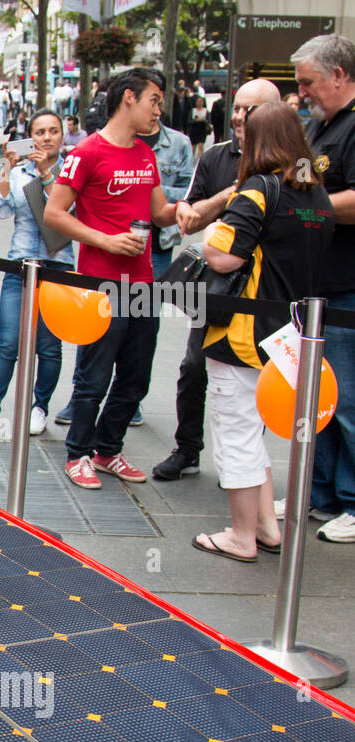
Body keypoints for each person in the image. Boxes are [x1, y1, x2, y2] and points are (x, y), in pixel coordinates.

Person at [194, 103, 333, 561]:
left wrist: (213, 230)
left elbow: (223, 256)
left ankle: (241, 535)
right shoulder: (317, 196)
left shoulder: (258, 191)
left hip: (244, 332)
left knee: (236, 432)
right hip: (292, 336)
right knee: (254, 434)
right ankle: (267, 529)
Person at [45, 67, 177, 488]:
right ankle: (78, 453)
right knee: (94, 376)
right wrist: (105, 240)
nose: (159, 109)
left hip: (144, 283)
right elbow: (54, 213)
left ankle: (108, 450)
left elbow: (160, 214)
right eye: (154, 99)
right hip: (99, 284)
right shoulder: (87, 151)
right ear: (129, 99)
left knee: (137, 376)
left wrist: (202, 205)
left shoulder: (145, 153)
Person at [153, 78, 281, 482]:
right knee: (194, 366)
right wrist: (234, 194)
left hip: (269, 290)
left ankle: (248, 465)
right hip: (219, 285)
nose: (241, 117)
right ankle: (188, 448)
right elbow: (189, 217)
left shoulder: (291, 165)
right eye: (238, 108)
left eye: (252, 109)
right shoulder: (216, 158)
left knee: (254, 380)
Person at [0, 108, 74, 437]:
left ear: (63, 135)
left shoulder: (71, 172)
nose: (46, 137)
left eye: (53, 131)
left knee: (48, 345)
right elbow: (2, 210)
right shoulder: (20, 170)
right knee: (8, 341)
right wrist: (7, 169)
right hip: (19, 262)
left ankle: (39, 407)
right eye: (39, 132)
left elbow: (60, 213)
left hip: (57, 264)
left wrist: (45, 173)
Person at [291, 33, 355, 542]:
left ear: (339, 75)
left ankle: (352, 500)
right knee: (322, 398)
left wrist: (308, 210)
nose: (303, 92)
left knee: (348, 398)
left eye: (309, 82)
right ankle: (321, 495)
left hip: (348, 285)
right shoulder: (318, 127)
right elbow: (298, 181)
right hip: (317, 285)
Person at [141, 114, 194, 278]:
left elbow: (188, 194)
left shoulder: (180, 143)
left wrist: (149, 188)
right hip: (121, 242)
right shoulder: (119, 142)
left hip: (159, 243)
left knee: (151, 301)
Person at [186, 95, 209, 159]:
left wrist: (203, 120)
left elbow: (208, 121)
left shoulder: (206, 111)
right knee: (193, 147)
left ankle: (199, 160)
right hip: (194, 130)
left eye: (201, 101)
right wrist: (195, 120)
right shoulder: (193, 111)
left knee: (201, 146)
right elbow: (189, 121)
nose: (200, 103)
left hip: (202, 130)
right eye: (198, 101)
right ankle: (191, 159)